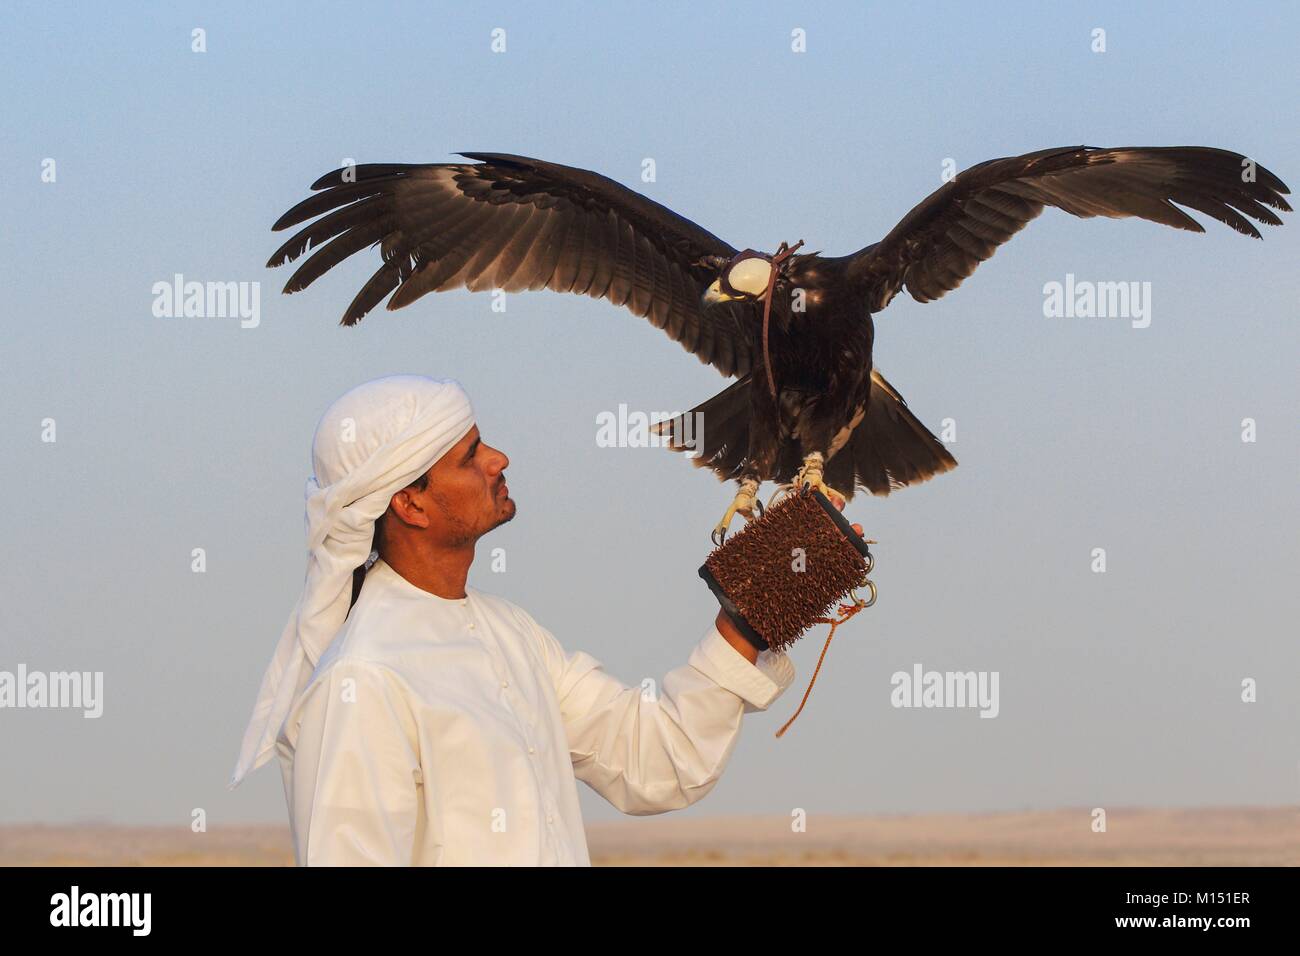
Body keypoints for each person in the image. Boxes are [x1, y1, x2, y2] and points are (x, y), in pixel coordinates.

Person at [230, 374, 850, 866]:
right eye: (470, 456)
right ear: (411, 503)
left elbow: (659, 760)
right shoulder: (363, 681)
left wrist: (758, 606)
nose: (499, 459)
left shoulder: (511, 633)